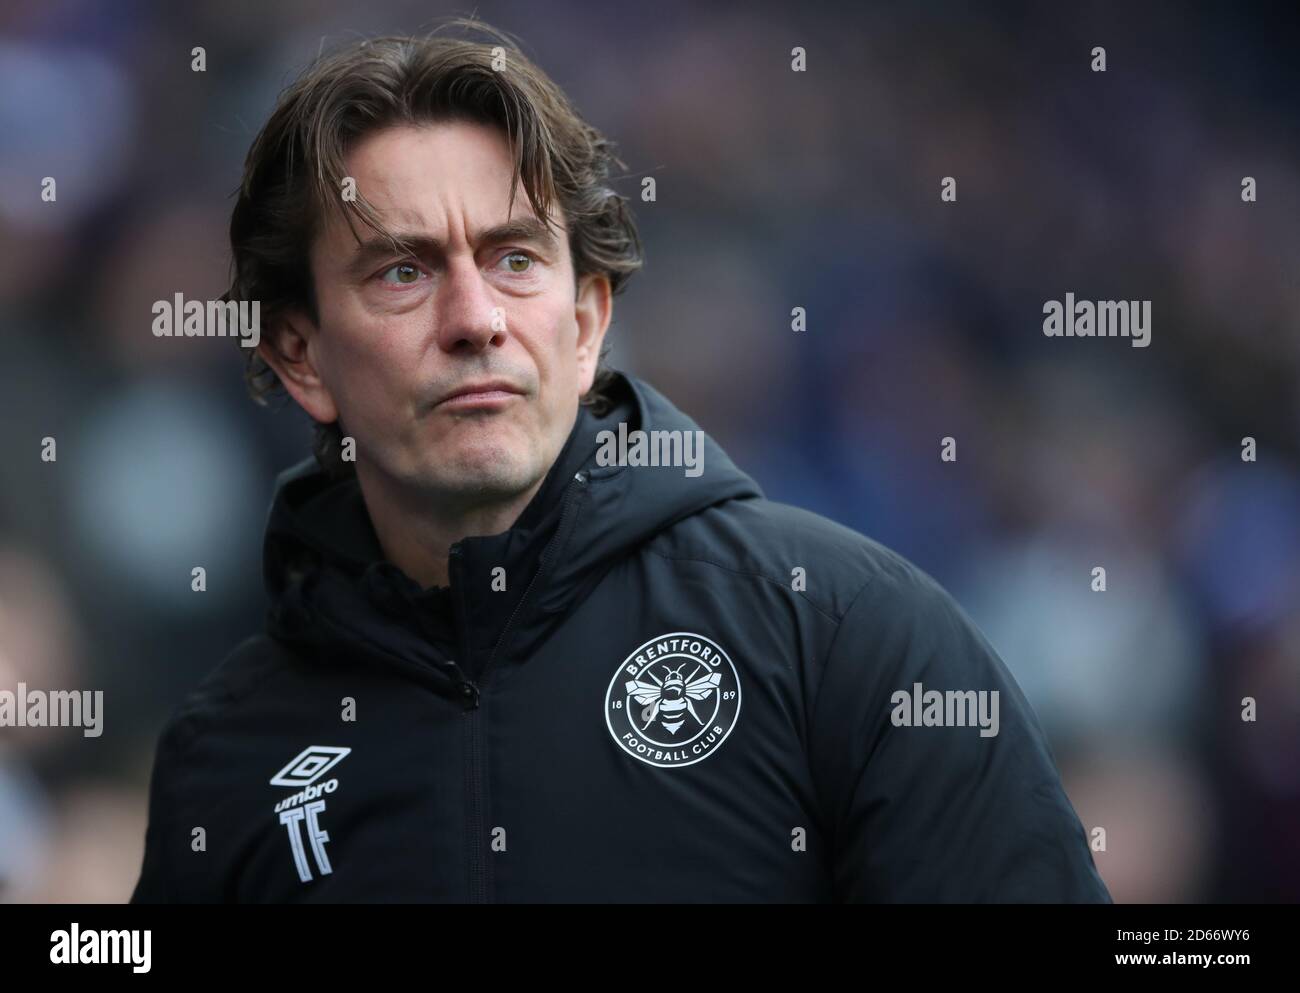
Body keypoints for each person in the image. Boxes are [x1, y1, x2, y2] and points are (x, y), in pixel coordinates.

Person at [131, 20, 1111, 903]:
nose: (475, 320)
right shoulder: (228, 753)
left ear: (588, 322)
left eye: (515, 260)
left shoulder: (847, 635)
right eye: (402, 271)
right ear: (300, 356)